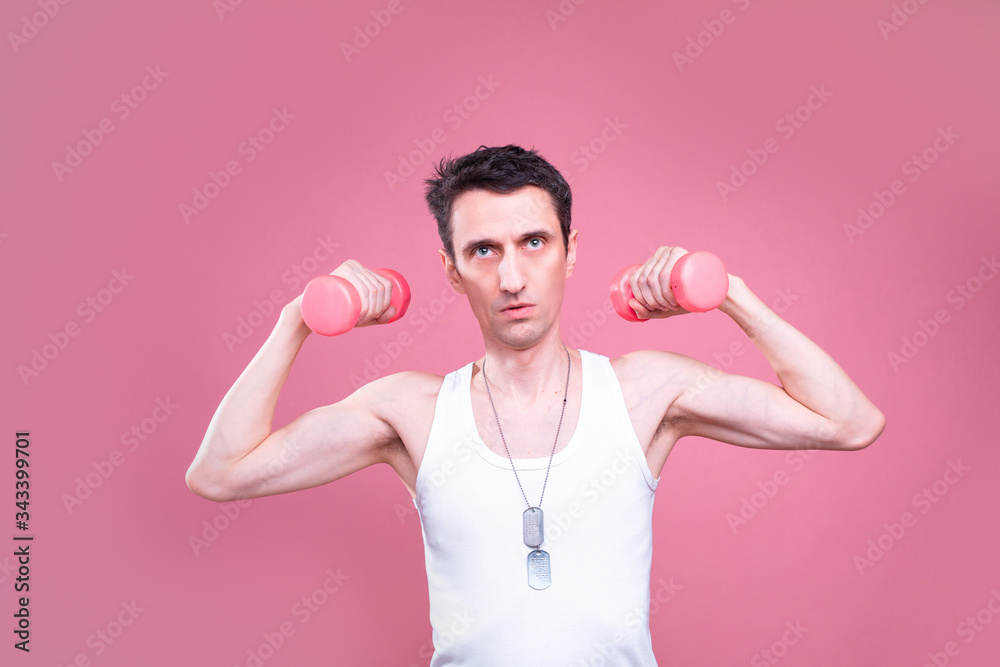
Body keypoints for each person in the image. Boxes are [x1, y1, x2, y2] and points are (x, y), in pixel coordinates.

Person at [185, 144, 885, 666]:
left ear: (570, 252)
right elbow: (220, 472)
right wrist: (297, 320)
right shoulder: (412, 411)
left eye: (534, 242)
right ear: (450, 269)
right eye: (483, 250)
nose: (512, 276)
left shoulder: (644, 393)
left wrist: (727, 291)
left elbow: (848, 422)